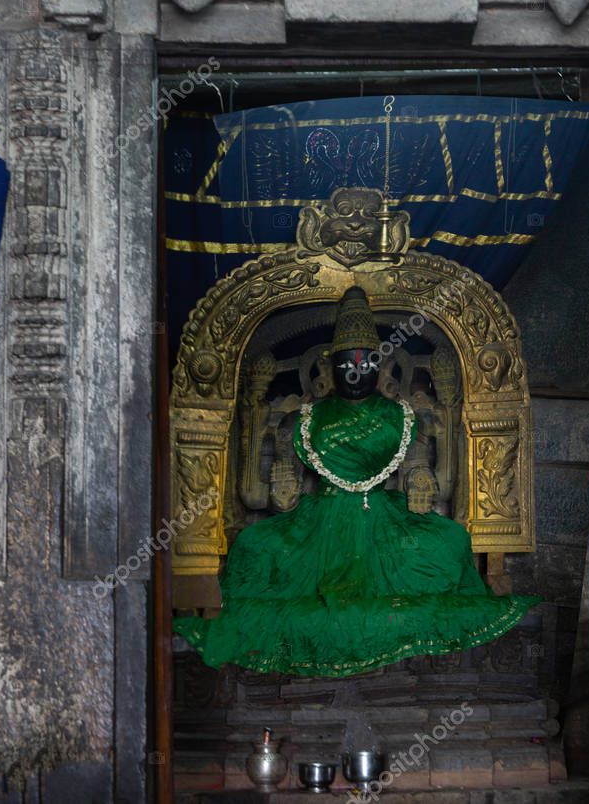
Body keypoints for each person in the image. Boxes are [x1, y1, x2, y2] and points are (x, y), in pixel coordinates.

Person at [173, 287, 541, 676]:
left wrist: (419, 480)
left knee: (448, 544)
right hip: (320, 521)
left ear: (380, 367)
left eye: (366, 362)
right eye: (347, 362)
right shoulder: (304, 419)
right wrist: (283, 491)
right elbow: (277, 492)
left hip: (383, 516)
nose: (355, 370)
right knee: (255, 545)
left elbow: (417, 465)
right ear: (332, 367)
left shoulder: (401, 416)